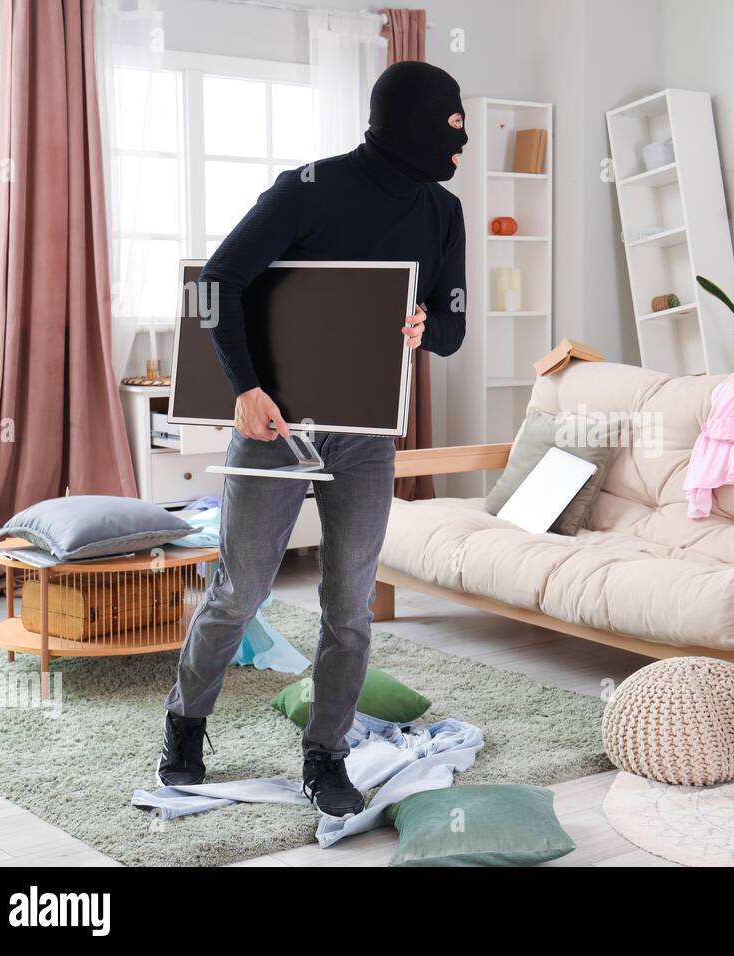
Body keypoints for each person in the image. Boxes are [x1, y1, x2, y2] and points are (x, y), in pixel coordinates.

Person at [156, 62, 468, 819]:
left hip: (367, 439)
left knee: (349, 608)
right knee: (239, 592)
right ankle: (186, 723)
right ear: (412, 122)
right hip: (274, 428)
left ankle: (324, 755)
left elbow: (454, 330)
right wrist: (244, 389)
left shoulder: (443, 212)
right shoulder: (309, 187)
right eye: (452, 124)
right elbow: (219, 282)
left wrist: (429, 327)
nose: (460, 140)